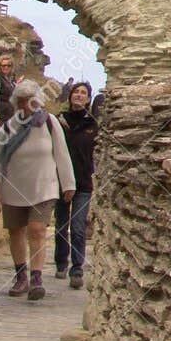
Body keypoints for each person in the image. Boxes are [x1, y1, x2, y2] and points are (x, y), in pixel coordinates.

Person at [0, 79, 75, 300]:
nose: (27, 106)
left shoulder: (49, 123)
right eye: (23, 102)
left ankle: (37, 278)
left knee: (36, 229)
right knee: (16, 231)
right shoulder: (9, 127)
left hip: (44, 186)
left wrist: (68, 184)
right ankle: (21, 277)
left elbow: (62, 154)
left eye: (31, 101)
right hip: (13, 186)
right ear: (16, 103)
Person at [54, 82, 97, 289]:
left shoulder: (93, 124)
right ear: (70, 96)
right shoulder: (59, 121)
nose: (79, 96)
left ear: (88, 99)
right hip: (61, 180)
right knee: (61, 224)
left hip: (83, 183)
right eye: (76, 92)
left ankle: (77, 268)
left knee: (78, 227)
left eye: (84, 93)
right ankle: (61, 262)